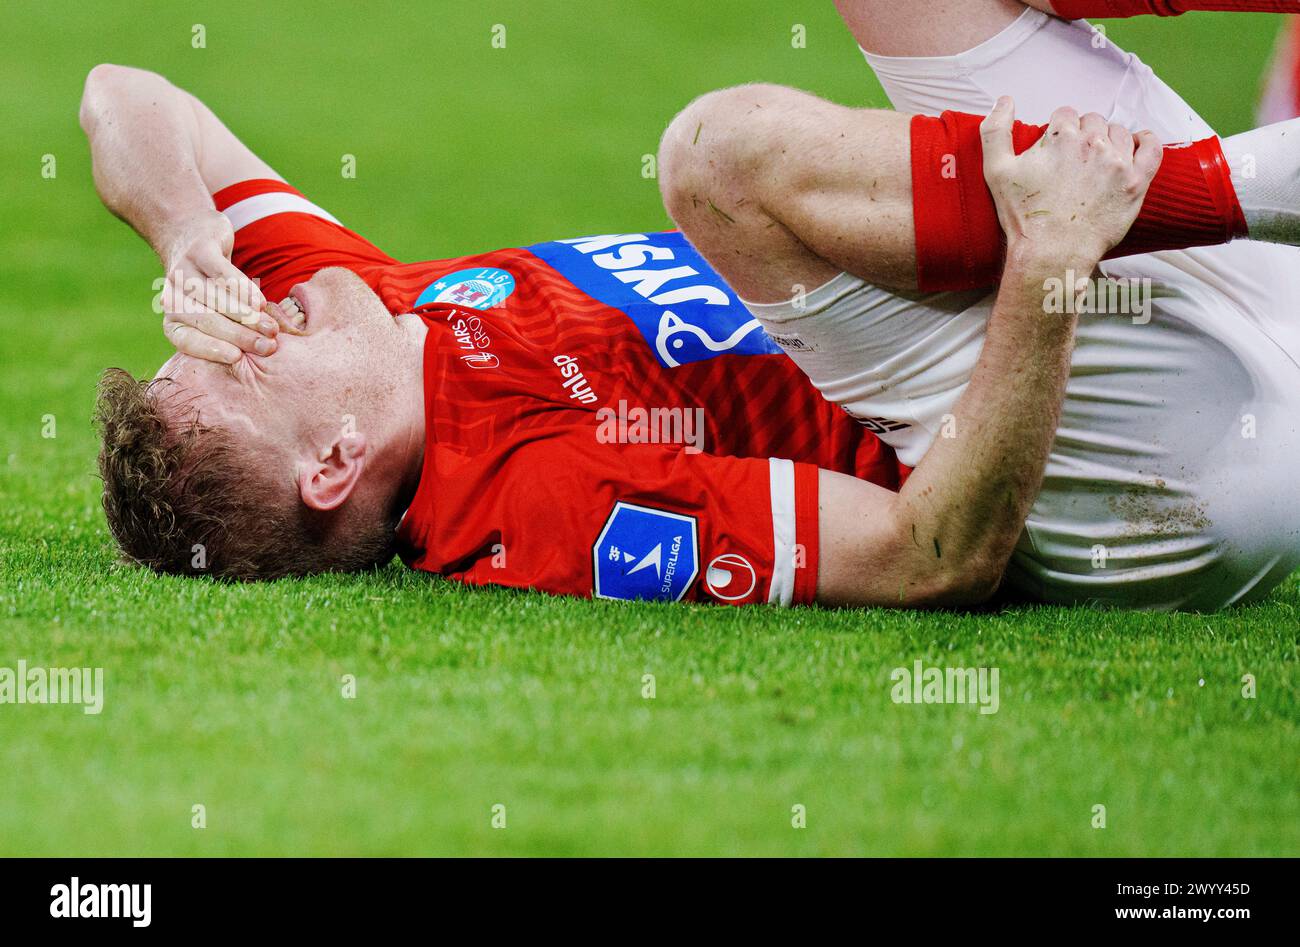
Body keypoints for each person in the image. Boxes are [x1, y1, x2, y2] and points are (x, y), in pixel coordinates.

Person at [660, 0, 1300, 608]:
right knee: (712, 156)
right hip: (1154, 484)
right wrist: (1049, 253)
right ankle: (1224, 189)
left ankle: (1243, 186)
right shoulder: (561, 480)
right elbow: (926, 561)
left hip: (1237, 278)